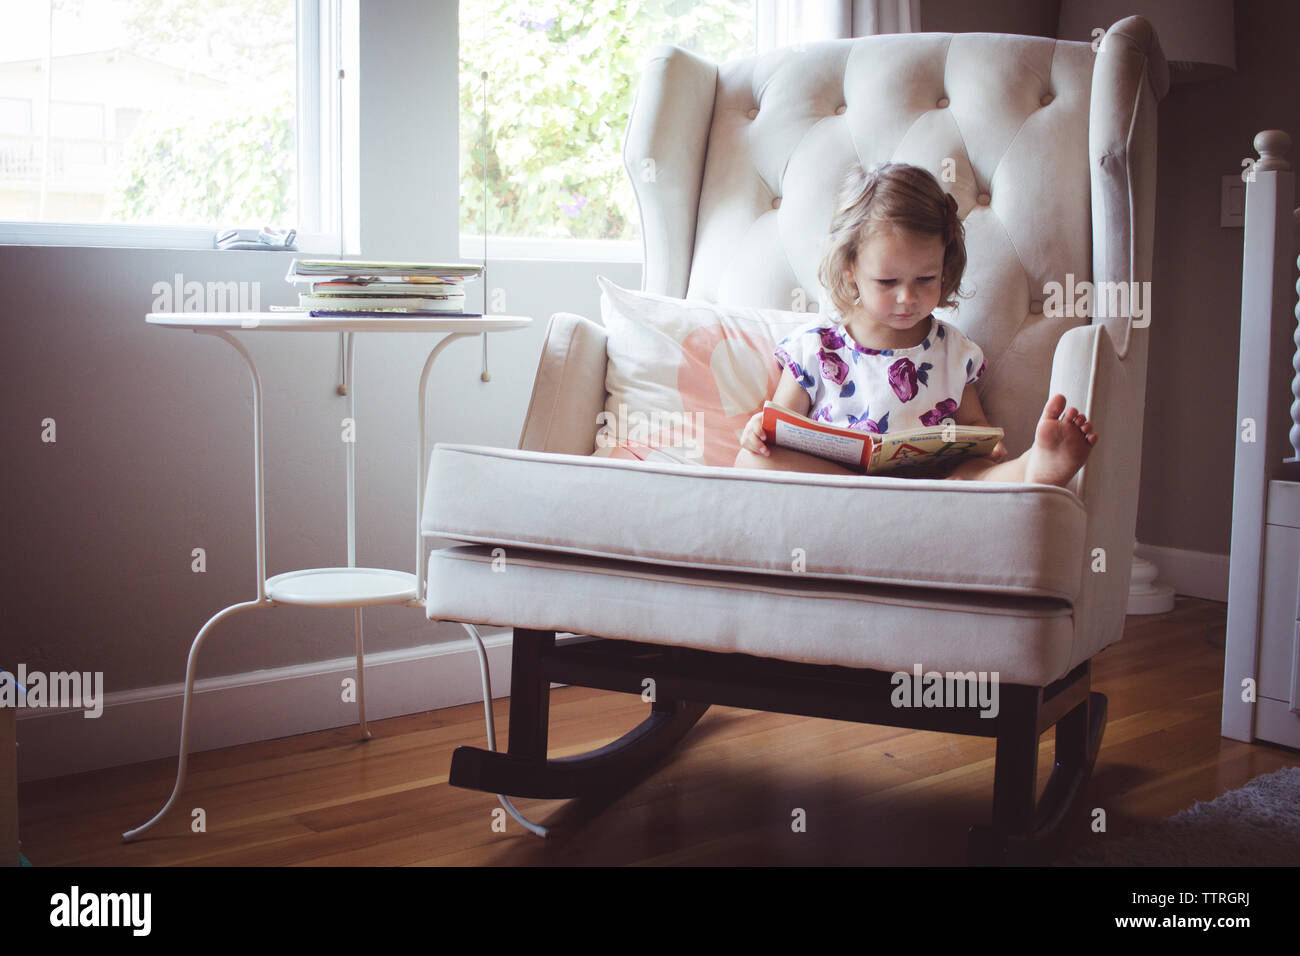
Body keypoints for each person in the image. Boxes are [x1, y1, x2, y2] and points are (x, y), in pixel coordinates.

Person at [733, 162, 1096, 486]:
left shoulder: (953, 351)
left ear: (945, 266)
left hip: (929, 486)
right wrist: (758, 433)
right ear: (850, 270)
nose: (907, 297)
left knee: (974, 475)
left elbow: (976, 428)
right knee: (751, 460)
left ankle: (1034, 467)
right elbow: (780, 426)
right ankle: (873, 498)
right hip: (838, 485)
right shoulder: (815, 348)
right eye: (888, 282)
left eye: (925, 278)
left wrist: (990, 446)